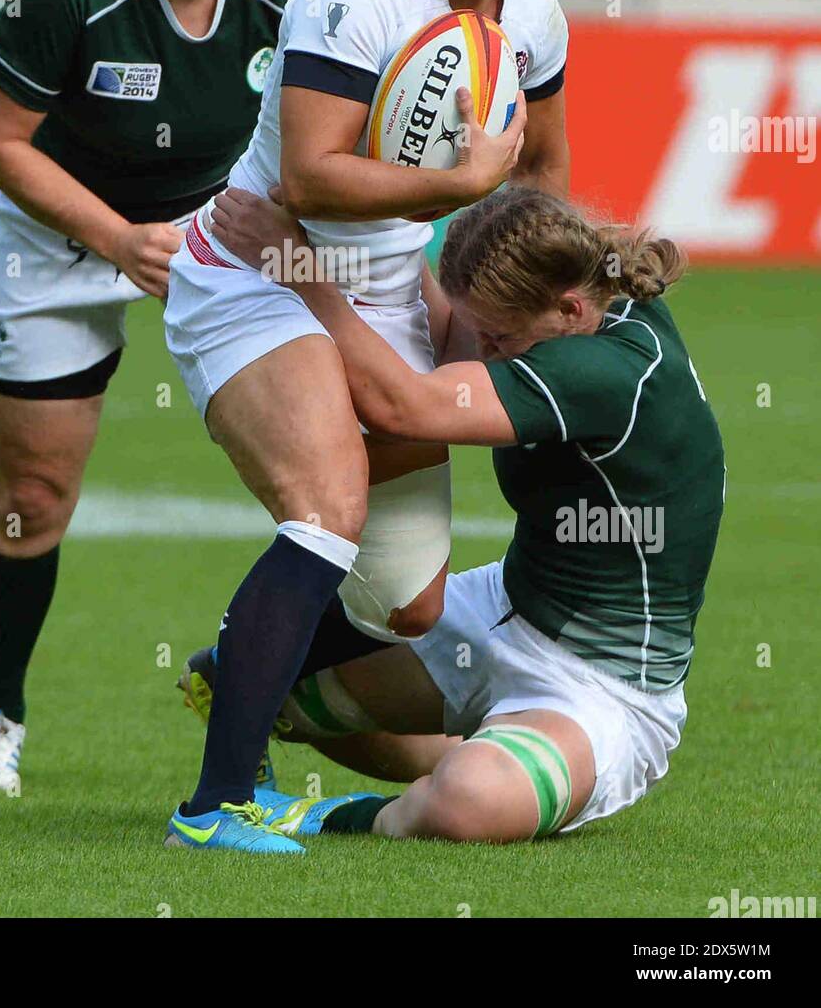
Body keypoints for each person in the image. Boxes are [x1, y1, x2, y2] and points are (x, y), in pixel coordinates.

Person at [162, 0, 589, 854]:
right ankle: (212, 810)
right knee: (326, 504)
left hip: (392, 292)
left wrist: (546, 290)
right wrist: (455, 191)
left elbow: (540, 170)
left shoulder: (535, 13)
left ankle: (239, 671)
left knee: (401, 600)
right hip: (260, 270)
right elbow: (306, 176)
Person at [0, 0, 318, 795]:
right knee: (30, 498)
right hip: (60, 238)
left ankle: (282, 710)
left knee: (315, 485)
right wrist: (114, 238)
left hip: (218, 236)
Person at [206, 182, 725, 845]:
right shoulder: (586, 303)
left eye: (498, 335)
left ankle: (351, 814)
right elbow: (448, 333)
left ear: (567, 310)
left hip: (604, 687)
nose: (481, 346)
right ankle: (490, 757)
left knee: (469, 804)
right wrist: (387, 218)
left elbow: (407, 408)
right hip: (504, 607)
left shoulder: (601, 372)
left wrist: (301, 269)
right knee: (254, 681)